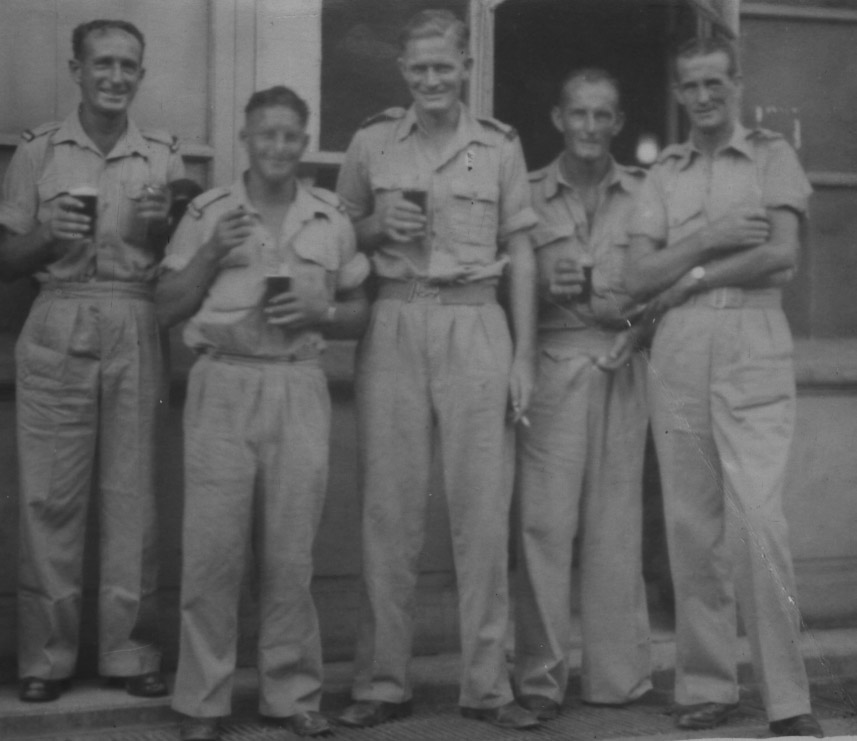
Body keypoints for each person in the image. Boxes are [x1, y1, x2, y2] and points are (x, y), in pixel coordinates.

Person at [335, 8, 540, 732]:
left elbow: (522, 252)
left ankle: (488, 685)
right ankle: (381, 681)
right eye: (417, 68)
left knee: (482, 514)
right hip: (393, 317)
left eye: (442, 67)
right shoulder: (369, 142)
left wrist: (521, 353)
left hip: (476, 318)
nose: (430, 80)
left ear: (465, 69)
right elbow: (338, 237)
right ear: (402, 71)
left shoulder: (498, 146)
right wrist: (373, 228)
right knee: (387, 514)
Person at [624, 36, 823, 738]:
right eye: (690, 86)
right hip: (677, 351)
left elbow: (778, 256)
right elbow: (635, 277)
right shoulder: (663, 174)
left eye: (715, 83)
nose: (703, 97)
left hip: (751, 343)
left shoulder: (770, 154)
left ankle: (786, 697)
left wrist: (693, 274)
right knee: (690, 523)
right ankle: (706, 684)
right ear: (677, 93)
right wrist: (708, 240)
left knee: (758, 523)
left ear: (735, 84)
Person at [157, 85, 369, 741]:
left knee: (289, 554)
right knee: (213, 555)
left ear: (302, 144)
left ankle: (292, 694)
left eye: (288, 135)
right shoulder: (208, 211)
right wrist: (214, 251)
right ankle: (202, 701)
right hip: (223, 383)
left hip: (296, 384)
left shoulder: (329, 216)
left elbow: (361, 310)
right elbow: (164, 304)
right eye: (264, 134)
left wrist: (320, 312)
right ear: (245, 139)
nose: (276, 146)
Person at [0, 19, 182, 703]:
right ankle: (45, 656)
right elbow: (4, 260)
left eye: (128, 65)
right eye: (102, 63)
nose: (115, 76)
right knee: (49, 497)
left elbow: (178, 264)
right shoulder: (41, 153)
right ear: (75, 68)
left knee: (133, 495)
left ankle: (128, 653)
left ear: (141, 73)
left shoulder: (162, 156)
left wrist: (166, 222)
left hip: (133, 313)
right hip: (57, 314)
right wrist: (47, 237)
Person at [513, 68, 652, 721]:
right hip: (551, 359)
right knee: (543, 525)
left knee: (616, 526)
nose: (590, 127)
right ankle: (539, 680)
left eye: (603, 115)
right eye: (578, 114)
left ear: (618, 123)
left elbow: (670, 283)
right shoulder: (529, 194)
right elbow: (496, 289)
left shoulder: (646, 195)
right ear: (557, 118)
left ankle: (617, 680)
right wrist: (543, 286)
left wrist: (639, 323)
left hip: (622, 360)